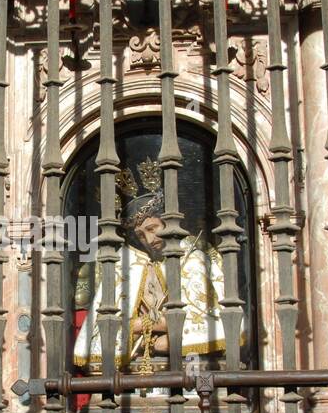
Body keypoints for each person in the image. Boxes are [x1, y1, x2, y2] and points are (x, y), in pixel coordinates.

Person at [71, 158, 236, 375]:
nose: (149, 239)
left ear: (167, 221)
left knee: (164, 345)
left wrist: (143, 325)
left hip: (188, 361)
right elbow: (108, 329)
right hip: (139, 358)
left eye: (152, 228)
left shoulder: (194, 259)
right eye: (140, 234)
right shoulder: (127, 263)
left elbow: (211, 322)